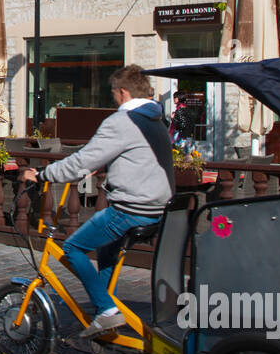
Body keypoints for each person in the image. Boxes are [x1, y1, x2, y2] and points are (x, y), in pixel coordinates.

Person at [21, 65, 175, 337]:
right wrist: (107, 164)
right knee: (106, 252)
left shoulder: (123, 121)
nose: (114, 99)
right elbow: (139, 157)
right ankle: (102, 311)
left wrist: (44, 175)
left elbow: (81, 160)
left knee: (73, 247)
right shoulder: (156, 119)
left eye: (114, 94)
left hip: (131, 209)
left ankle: (106, 310)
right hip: (158, 209)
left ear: (124, 92)